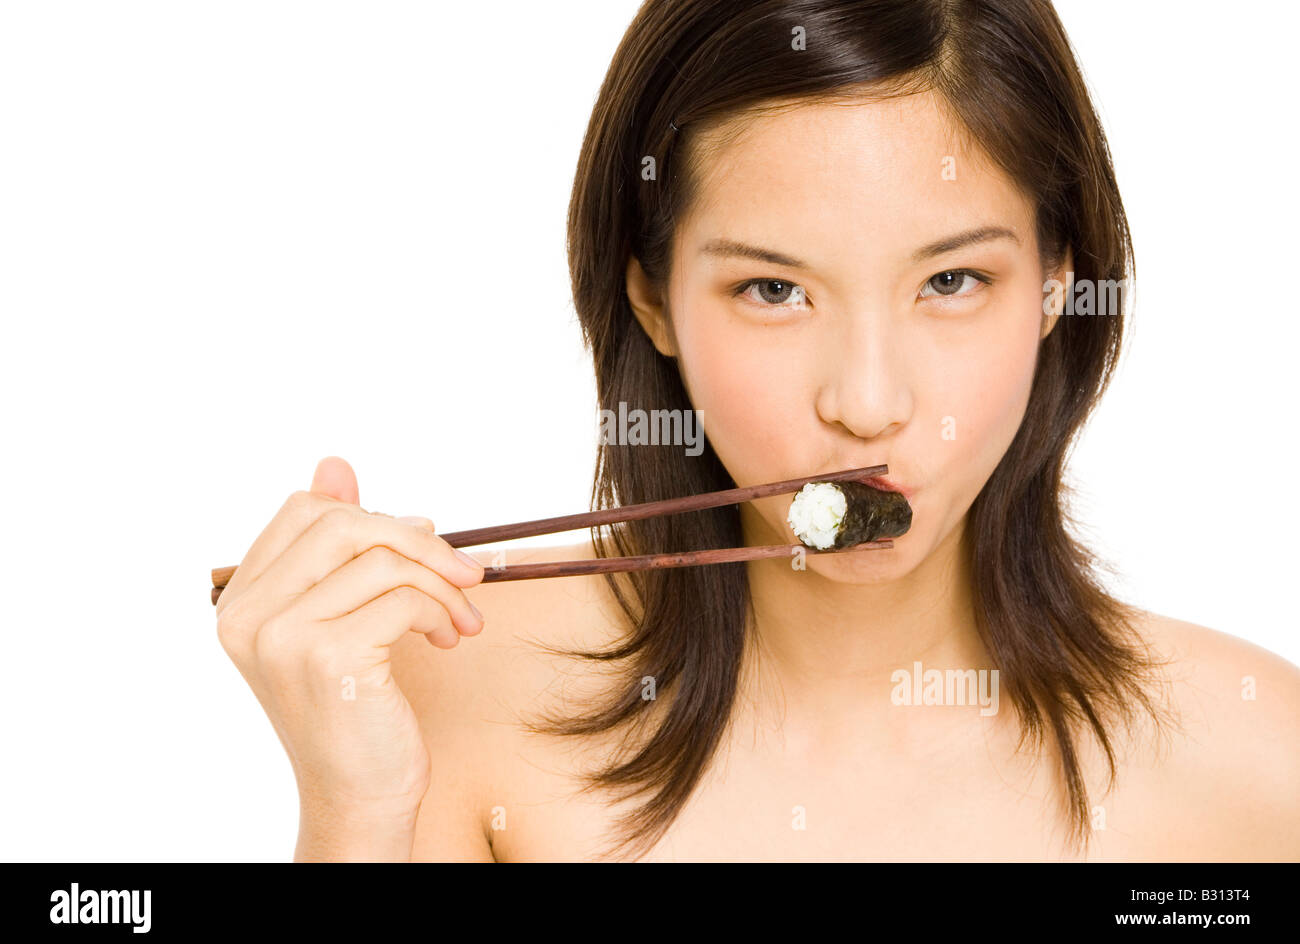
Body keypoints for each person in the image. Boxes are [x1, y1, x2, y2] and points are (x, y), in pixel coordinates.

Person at [214, 0, 1300, 861]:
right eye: (775, 289)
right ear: (651, 296)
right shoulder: (453, 692)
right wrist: (354, 813)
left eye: (953, 279)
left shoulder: (1257, 762)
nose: (867, 401)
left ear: (1059, 281)